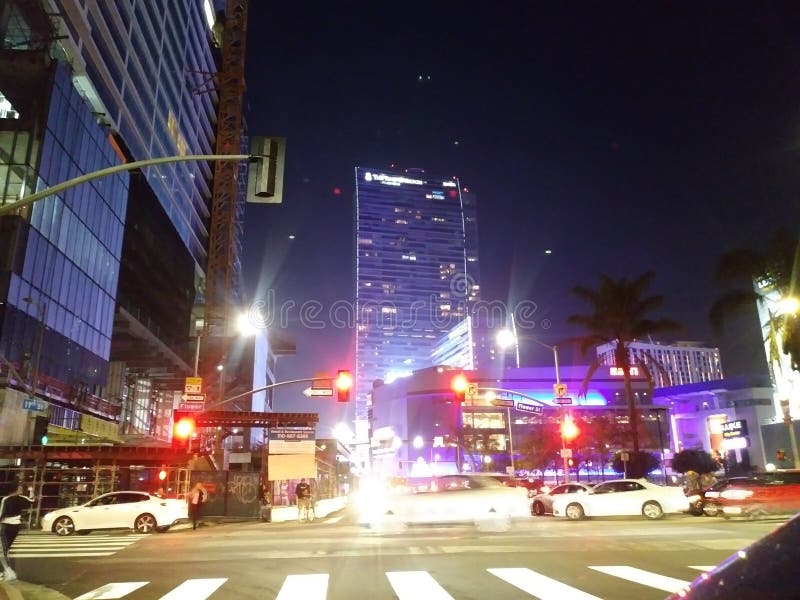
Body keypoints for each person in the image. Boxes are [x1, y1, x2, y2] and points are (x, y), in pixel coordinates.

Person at [0, 485, 35, 582]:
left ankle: (9, 572)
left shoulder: (6, 499)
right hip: (15, 526)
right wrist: (31, 490)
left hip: (6, 526)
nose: (21, 490)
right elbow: (32, 500)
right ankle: (4, 572)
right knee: (5, 549)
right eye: (19, 488)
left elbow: (1, 513)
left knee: (3, 550)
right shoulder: (22, 498)